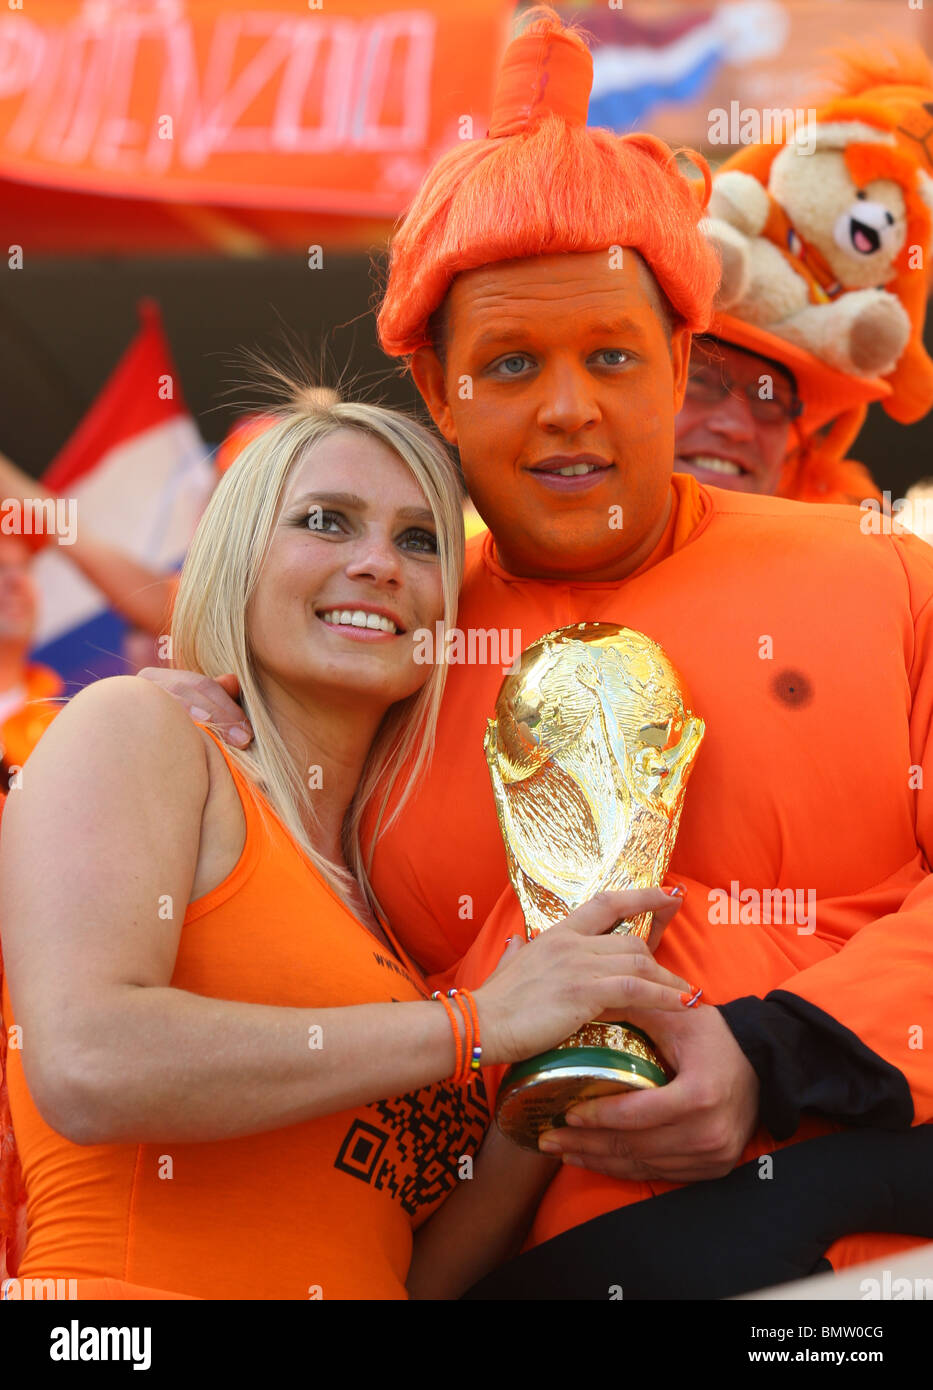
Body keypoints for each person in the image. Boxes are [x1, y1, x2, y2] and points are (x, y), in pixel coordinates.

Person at [153, 10, 933, 1297]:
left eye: (613, 357)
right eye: (513, 362)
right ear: (441, 393)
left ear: (680, 366)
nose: (569, 406)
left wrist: (784, 1054)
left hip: (880, 1237)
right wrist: (138, 731)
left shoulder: (886, 578)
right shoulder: (370, 647)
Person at [0, 393, 698, 1300]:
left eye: (420, 541)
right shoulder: (138, 726)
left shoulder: (394, 902)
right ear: (236, 558)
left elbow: (407, 1269)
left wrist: (558, 1067)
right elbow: (90, 1065)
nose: (377, 564)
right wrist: (477, 1026)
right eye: (326, 522)